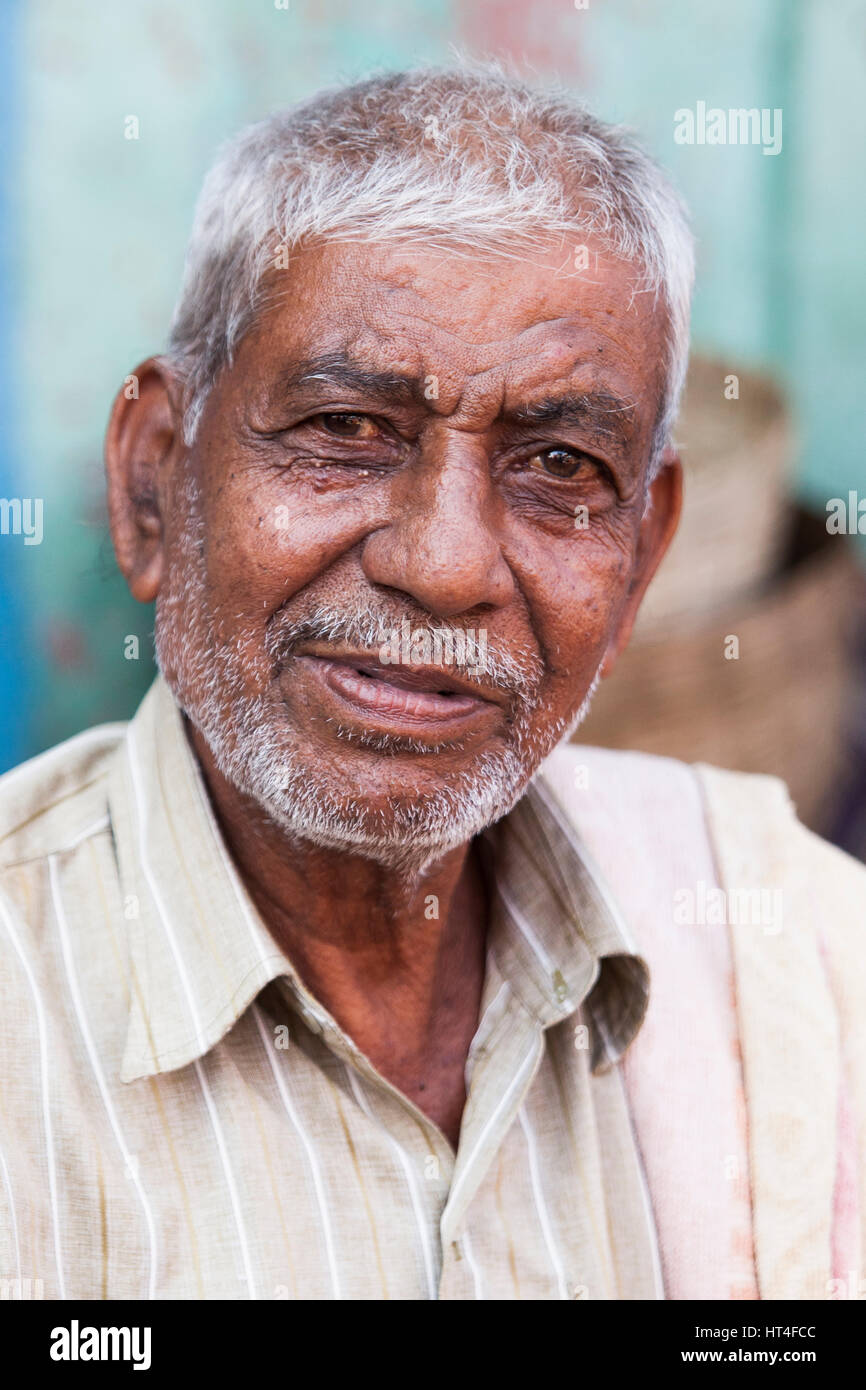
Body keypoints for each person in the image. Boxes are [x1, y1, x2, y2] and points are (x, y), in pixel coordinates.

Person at [0, 63, 862, 1302]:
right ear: (154, 482)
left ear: (635, 565)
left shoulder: (796, 956)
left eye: (558, 462)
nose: (446, 563)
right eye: (345, 428)